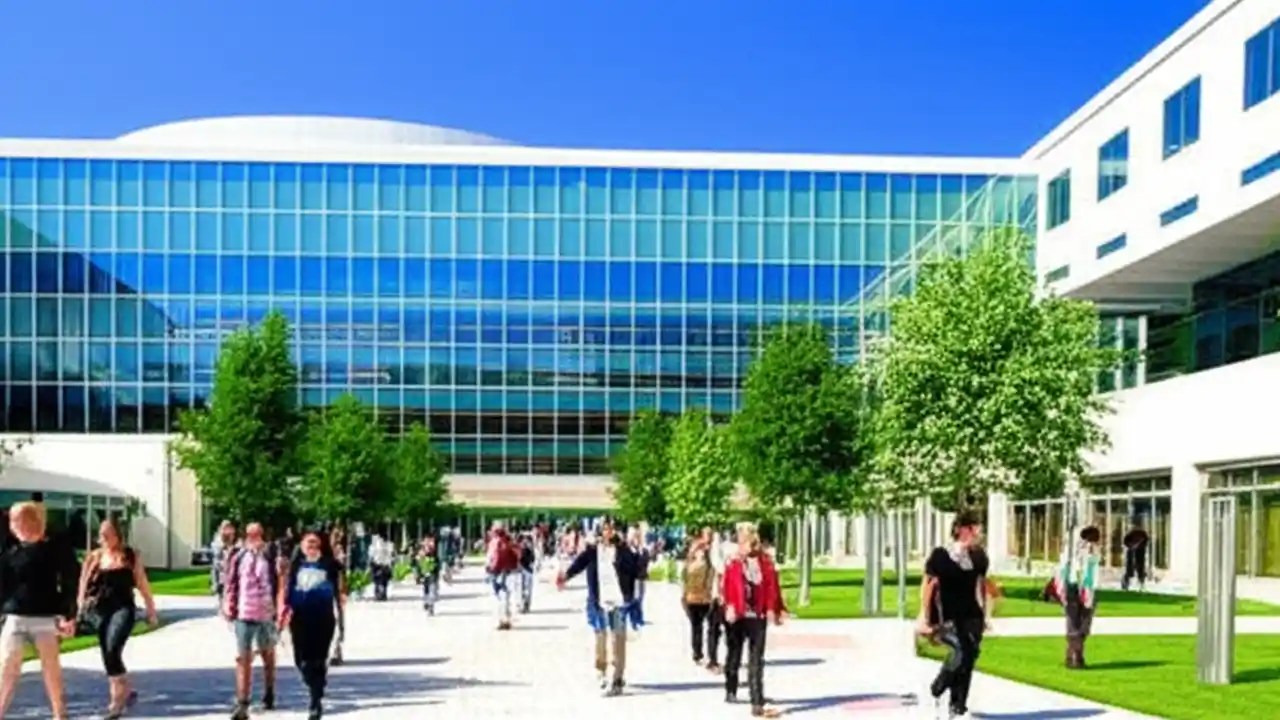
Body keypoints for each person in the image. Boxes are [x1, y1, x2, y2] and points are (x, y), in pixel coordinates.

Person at [0, 501, 80, 720]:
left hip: (46, 617)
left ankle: (59, 713)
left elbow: (70, 581)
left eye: (15, 520)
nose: (11, 525)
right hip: (15, 616)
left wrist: (69, 614)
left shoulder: (54, 547)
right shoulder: (9, 550)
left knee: (50, 668)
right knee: (8, 664)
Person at [77, 518, 160, 719]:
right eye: (101, 534)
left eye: (108, 533)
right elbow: (83, 583)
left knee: (113, 647)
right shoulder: (95, 557)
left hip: (123, 608)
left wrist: (151, 610)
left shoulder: (129, 556)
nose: (103, 537)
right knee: (107, 653)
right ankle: (127, 689)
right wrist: (80, 608)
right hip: (100, 610)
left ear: (118, 535)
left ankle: (116, 703)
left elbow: (142, 583)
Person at [556, 518, 642, 697]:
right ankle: (601, 671)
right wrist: (565, 577)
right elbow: (579, 564)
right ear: (600, 531)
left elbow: (636, 569)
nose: (609, 533)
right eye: (605, 529)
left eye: (612, 529)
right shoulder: (593, 551)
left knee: (618, 639)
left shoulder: (624, 550)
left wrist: (637, 549)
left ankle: (617, 678)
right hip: (599, 602)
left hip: (619, 602)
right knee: (601, 639)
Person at [918, 511, 991, 720]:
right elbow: (928, 585)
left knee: (969, 660)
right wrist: (924, 615)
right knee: (962, 653)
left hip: (972, 615)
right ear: (961, 530)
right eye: (973, 528)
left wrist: (984, 615)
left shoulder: (979, 557)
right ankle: (937, 689)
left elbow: (981, 586)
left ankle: (958, 707)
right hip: (948, 615)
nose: (978, 532)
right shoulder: (941, 555)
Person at [277, 529, 345, 720]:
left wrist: (341, 620)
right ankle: (314, 683)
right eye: (309, 543)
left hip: (323, 618)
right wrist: (282, 612)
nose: (312, 546)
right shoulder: (295, 565)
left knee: (319, 658)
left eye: (316, 543)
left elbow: (340, 593)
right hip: (300, 618)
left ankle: (315, 701)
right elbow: (286, 590)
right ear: (302, 545)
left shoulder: (330, 565)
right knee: (302, 660)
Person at [721, 522, 785, 718]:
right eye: (741, 542)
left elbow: (773, 588)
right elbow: (728, 587)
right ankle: (731, 687)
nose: (744, 546)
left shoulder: (766, 563)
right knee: (734, 653)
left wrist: (775, 609)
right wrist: (729, 606)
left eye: (747, 542)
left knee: (756, 659)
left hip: (757, 616)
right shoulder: (733, 564)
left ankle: (757, 700)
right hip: (738, 615)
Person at [222, 522, 283, 720]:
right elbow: (230, 582)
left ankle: (269, 692)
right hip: (244, 613)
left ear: (262, 534)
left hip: (266, 613)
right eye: (250, 533)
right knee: (243, 657)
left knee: (268, 654)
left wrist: (280, 608)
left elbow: (280, 581)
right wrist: (228, 605)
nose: (253, 536)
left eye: (257, 533)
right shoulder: (239, 555)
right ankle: (242, 702)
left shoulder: (270, 554)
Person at [1057, 525, 1102, 669]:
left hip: (1074, 586)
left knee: (1074, 622)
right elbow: (1091, 574)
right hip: (1082, 588)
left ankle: (1072, 655)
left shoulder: (1072, 551)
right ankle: (1076, 656)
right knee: (1082, 622)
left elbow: (1063, 569)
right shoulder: (1089, 551)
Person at [681, 532, 716, 666]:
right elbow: (684, 581)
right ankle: (699, 652)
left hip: (698, 598)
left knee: (697, 627)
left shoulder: (692, 565)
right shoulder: (704, 565)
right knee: (699, 626)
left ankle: (698, 653)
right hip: (697, 598)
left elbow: (684, 580)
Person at [485, 523, 521, 630]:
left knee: (496, 595)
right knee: (506, 595)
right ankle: (507, 619)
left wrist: (488, 567)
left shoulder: (494, 542)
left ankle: (499, 619)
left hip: (495, 570)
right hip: (507, 571)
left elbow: (490, 557)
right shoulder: (509, 541)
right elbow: (518, 554)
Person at [328, 526, 348, 666]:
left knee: (335, 620)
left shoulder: (337, 551)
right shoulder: (328, 553)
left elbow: (341, 571)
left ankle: (336, 651)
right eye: (336, 535)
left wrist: (342, 590)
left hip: (333, 591)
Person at [627, 527, 651, 632]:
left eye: (638, 536)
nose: (637, 538)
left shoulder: (643, 550)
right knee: (635, 599)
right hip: (633, 578)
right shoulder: (629, 550)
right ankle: (635, 619)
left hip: (641, 577)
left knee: (640, 598)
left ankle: (639, 618)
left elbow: (646, 560)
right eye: (635, 536)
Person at [211, 520, 239, 600]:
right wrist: (215, 583)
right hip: (222, 580)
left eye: (229, 528)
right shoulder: (217, 546)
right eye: (225, 528)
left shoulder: (237, 546)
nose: (228, 531)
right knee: (223, 603)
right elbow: (215, 567)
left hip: (234, 581)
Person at [415, 536, 441, 614]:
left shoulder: (435, 556)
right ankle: (427, 602)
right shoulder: (421, 556)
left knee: (432, 591)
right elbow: (417, 565)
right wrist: (418, 575)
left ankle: (430, 605)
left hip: (432, 576)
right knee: (426, 590)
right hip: (425, 575)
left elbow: (438, 566)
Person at [1122, 521, 1149, 591]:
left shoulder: (1143, 534)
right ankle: (1126, 582)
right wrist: (1131, 546)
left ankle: (1141, 583)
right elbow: (1125, 541)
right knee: (1129, 568)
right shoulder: (1131, 533)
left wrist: (1140, 546)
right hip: (1131, 551)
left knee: (1140, 568)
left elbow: (1146, 542)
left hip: (1140, 553)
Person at [368, 534, 394, 602]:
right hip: (384, 565)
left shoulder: (374, 545)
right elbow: (391, 555)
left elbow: (371, 555)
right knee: (384, 581)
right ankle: (383, 594)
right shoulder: (389, 544)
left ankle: (378, 595)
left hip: (378, 564)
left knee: (378, 581)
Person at [518, 532, 537, 614]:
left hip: (523, 570)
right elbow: (533, 559)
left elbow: (533, 559)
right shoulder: (529, 548)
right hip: (527, 570)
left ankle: (524, 605)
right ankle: (525, 605)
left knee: (523, 589)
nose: (525, 541)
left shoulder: (521, 548)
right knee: (525, 589)